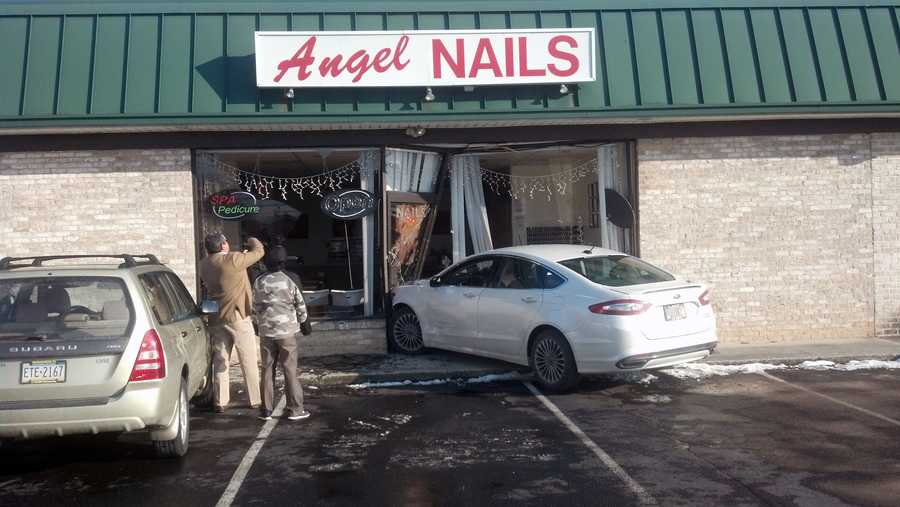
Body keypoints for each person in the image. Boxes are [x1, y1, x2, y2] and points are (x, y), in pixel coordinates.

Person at [198, 232, 265, 413]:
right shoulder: (234, 259)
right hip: (237, 317)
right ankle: (255, 400)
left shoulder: (204, 264)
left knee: (220, 361)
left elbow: (228, 271)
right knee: (248, 359)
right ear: (222, 246)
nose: (227, 243)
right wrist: (250, 238)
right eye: (226, 241)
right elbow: (259, 251)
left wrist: (239, 257)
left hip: (216, 317)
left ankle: (220, 401)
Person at [252, 245, 310, 421]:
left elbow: (254, 307)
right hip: (286, 333)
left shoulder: (258, 280)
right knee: (289, 369)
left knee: (267, 369)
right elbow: (301, 304)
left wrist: (257, 325)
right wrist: (304, 323)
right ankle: (295, 409)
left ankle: (266, 410)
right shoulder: (291, 278)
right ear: (284, 261)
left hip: (266, 332)